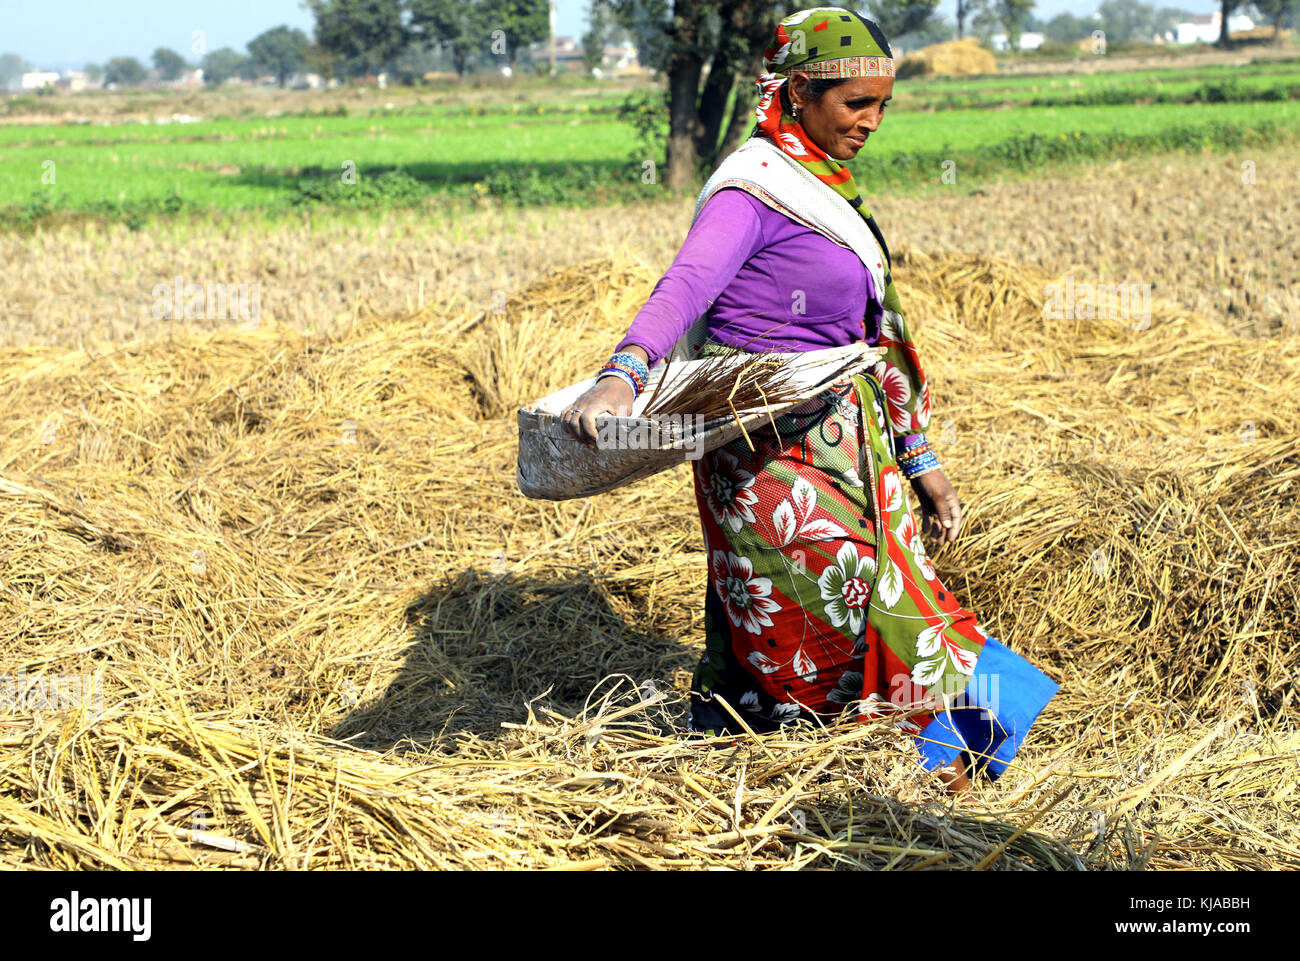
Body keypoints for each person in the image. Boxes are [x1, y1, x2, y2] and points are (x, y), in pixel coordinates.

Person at [560, 7, 1057, 793]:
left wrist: (921, 459)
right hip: (766, 457)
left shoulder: (827, 188)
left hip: (856, 448)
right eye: (857, 103)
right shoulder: (753, 189)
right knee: (835, 612)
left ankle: (913, 777)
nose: (873, 122)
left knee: (890, 603)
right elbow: (685, 286)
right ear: (798, 91)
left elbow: (875, 335)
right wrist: (622, 371)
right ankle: (911, 774)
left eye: (883, 104)